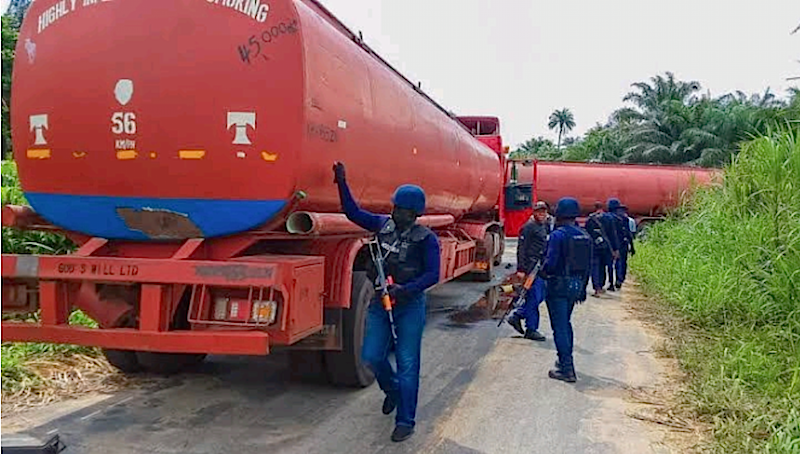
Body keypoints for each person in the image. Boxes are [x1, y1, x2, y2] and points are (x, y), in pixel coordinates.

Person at [333, 162, 441, 443]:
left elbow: (432, 274)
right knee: (371, 356)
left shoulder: (426, 239)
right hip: (380, 304)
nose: (395, 212)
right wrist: (341, 182)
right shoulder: (383, 225)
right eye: (395, 207)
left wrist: (404, 290)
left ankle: (405, 420)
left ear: (413, 213)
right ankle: (392, 391)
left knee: (407, 364)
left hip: (409, 306)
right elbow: (352, 212)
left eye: (401, 209)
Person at [540, 197, 592, 382]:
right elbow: (588, 265)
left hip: (558, 286)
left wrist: (543, 273)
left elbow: (551, 263)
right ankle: (563, 363)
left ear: (560, 214)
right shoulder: (584, 235)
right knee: (566, 323)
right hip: (576, 286)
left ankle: (567, 369)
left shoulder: (558, 235)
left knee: (559, 327)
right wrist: (583, 288)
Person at [506, 201, 549, 341]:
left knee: (540, 296)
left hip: (541, 267)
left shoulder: (544, 226)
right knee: (534, 297)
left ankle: (517, 315)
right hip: (531, 268)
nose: (542, 214)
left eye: (544, 212)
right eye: (539, 212)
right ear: (534, 212)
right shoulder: (529, 227)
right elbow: (521, 248)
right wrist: (521, 269)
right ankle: (531, 329)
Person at [584, 201, 616, 297]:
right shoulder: (609, 218)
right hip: (606, 247)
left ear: (595, 208)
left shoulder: (591, 219)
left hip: (595, 246)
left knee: (595, 266)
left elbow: (588, 233)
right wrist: (615, 248)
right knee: (603, 266)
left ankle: (596, 288)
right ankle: (601, 286)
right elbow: (613, 234)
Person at [611, 202, 635, 289]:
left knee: (618, 262)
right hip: (623, 243)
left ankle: (618, 279)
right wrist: (632, 247)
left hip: (616, 243)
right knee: (623, 262)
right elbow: (629, 234)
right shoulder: (626, 219)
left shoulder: (613, 219)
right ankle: (621, 279)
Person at [602, 198, 624, 291]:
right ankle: (618, 280)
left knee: (608, 265)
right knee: (618, 263)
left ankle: (610, 283)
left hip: (606, 244)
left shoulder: (603, 217)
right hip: (617, 244)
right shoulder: (619, 219)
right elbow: (621, 234)